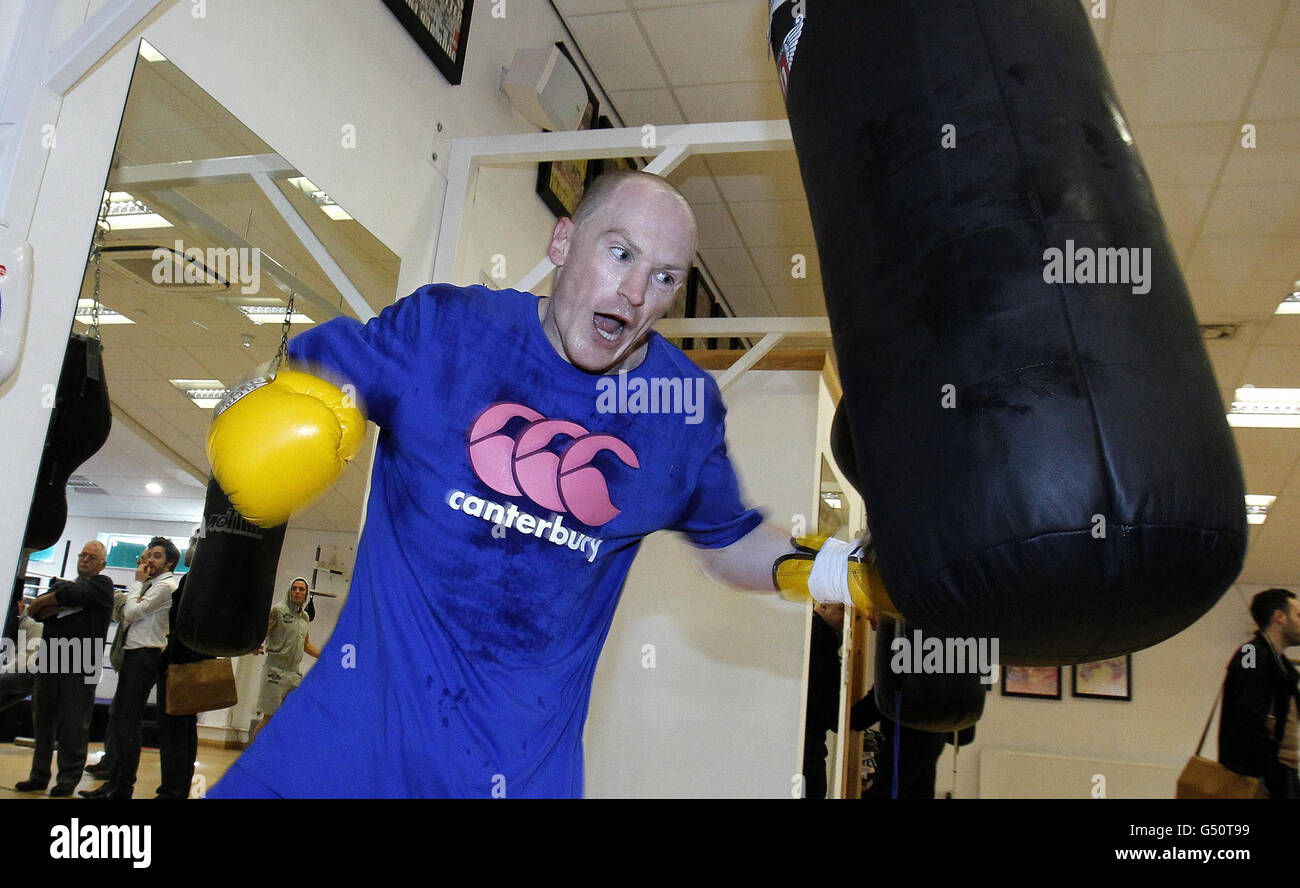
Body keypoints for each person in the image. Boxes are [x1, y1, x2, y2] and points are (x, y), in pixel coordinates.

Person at [209, 171, 840, 798]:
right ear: (563, 241)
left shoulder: (678, 412)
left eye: (665, 277)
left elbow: (729, 542)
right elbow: (294, 375)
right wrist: (264, 401)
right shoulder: (448, 333)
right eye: (621, 253)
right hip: (345, 744)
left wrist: (835, 569)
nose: (635, 291)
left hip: (513, 774)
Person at [83, 537, 180, 799]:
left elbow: (130, 614)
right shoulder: (151, 585)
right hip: (133, 655)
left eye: (157, 556)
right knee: (122, 722)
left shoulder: (167, 586)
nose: (150, 560)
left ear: (170, 562)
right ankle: (115, 782)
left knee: (128, 724)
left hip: (145, 657)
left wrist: (136, 582)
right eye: (149, 555)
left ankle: (122, 786)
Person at [14, 541, 113, 796]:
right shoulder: (63, 586)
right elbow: (37, 613)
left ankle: (67, 779)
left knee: (74, 726)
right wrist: (56, 600)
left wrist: (51, 600)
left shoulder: (103, 586)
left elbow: (68, 598)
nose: (85, 559)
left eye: (92, 557)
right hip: (49, 663)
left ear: (102, 564)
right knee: (43, 724)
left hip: (80, 667)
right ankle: (38, 776)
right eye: (83, 555)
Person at [152, 529, 216, 799]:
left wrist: (168, 661)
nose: (188, 549)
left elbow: (183, 626)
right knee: (186, 732)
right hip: (194, 663)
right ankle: (177, 788)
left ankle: (171, 790)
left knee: (175, 733)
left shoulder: (195, 581)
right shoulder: (209, 581)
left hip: (182, 665)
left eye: (192, 544)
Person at [1219, 587, 1300, 799]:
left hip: (1280, 772)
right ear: (1279, 617)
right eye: (1298, 615)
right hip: (1257, 777)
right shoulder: (1251, 653)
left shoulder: (1281, 664)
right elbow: (1247, 719)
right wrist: (1272, 776)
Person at [249, 577, 320, 743]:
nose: (297, 592)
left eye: (301, 589)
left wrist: (326, 657)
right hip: (275, 670)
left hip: (294, 672)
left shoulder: (304, 618)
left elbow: (306, 645)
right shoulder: (278, 611)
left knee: (294, 715)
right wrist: (255, 645)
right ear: (290, 590)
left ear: (306, 594)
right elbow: (263, 632)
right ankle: (255, 757)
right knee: (270, 717)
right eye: (294, 588)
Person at [803, 602, 844, 799]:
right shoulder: (821, 639)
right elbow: (823, 694)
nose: (845, 616)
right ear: (824, 606)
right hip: (810, 740)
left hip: (810, 738)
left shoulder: (820, 635)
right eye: (842, 609)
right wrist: (843, 721)